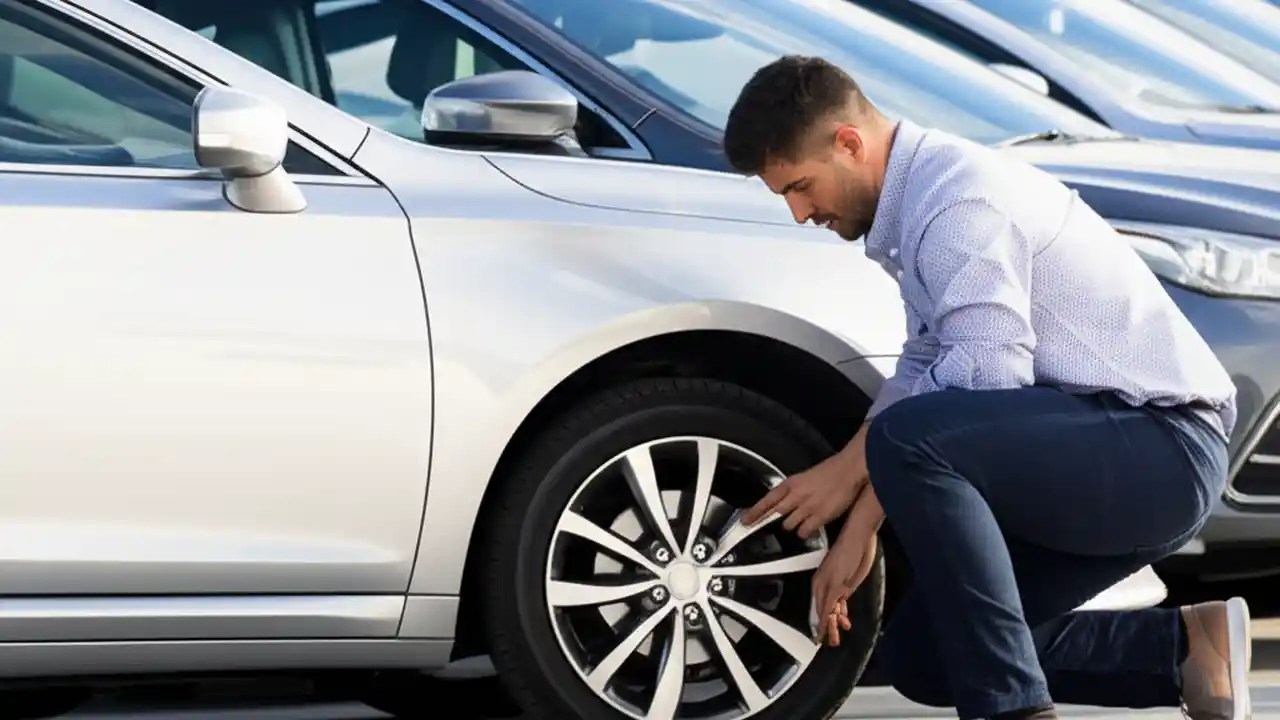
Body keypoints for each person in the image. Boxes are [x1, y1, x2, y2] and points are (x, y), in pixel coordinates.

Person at [725, 55, 1250, 720]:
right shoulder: (921, 197)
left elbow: (985, 375)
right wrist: (859, 525)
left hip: (1160, 449)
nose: (800, 213)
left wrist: (849, 471)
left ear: (849, 144)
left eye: (800, 187)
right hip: (1113, 450)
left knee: (907, 436)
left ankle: (1015, 712)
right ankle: (1183, 648)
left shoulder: (958, 199)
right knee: (928, 653)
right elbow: (927, 365)